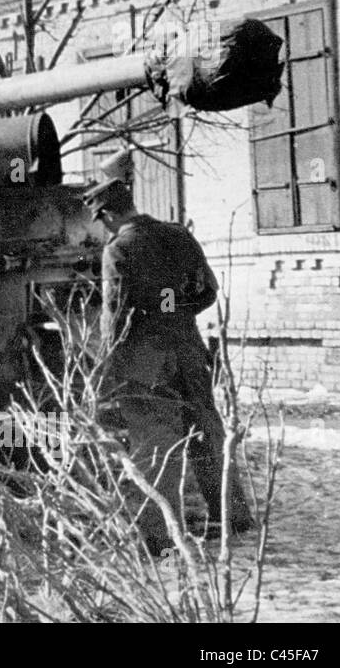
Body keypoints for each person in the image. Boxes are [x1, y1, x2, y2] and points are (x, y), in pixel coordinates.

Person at [83, 176, 254, 555]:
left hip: (147, 362)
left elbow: (116, 314)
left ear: (107, 213)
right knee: (207, 431)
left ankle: (161, 538)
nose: (103, 226)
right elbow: (207, 291)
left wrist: (107, 366)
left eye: (101, 219)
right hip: (189, 350)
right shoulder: (178, 236)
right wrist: (174, 313)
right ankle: (234, 518)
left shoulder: (119, 249)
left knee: (157, 444)